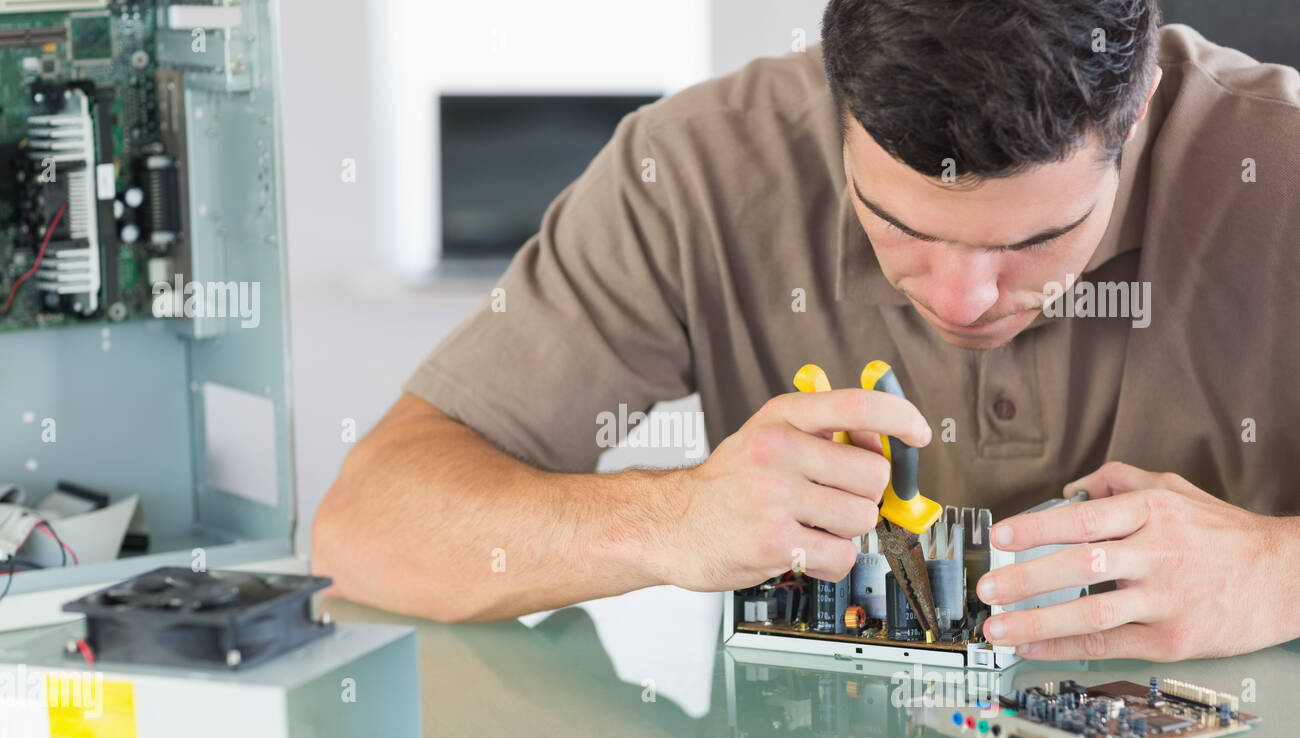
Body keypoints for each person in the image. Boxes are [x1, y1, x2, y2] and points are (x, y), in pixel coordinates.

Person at [313, 0, 1300, 662]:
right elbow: (367, 527)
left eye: (1036, 239)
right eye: (900, 227)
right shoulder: (692, 172)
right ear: (837, 109)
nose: (961, 299)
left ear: (1140, 112)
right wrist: (668, 520)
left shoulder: (1282, 163)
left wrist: (1274, 573)